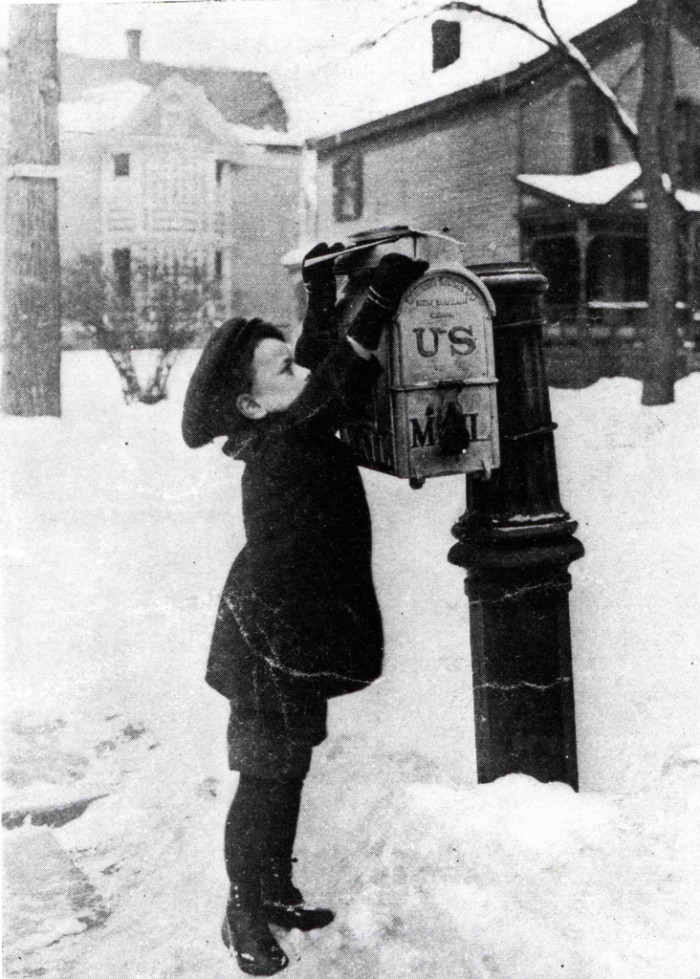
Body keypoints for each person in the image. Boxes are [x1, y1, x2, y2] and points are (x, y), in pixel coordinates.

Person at [182, 244, 428, 975]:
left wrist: (322, 295)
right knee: (264, 776)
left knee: (286, 769)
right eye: (279, 370)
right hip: (268, 639)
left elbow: (316, 372)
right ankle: (242, 910)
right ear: (252, 404)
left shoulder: (287, 423)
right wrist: (377, 295)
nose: (299, 373)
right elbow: (332, 379)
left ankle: (273, 887)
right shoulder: (282, 442)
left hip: (287, 627)